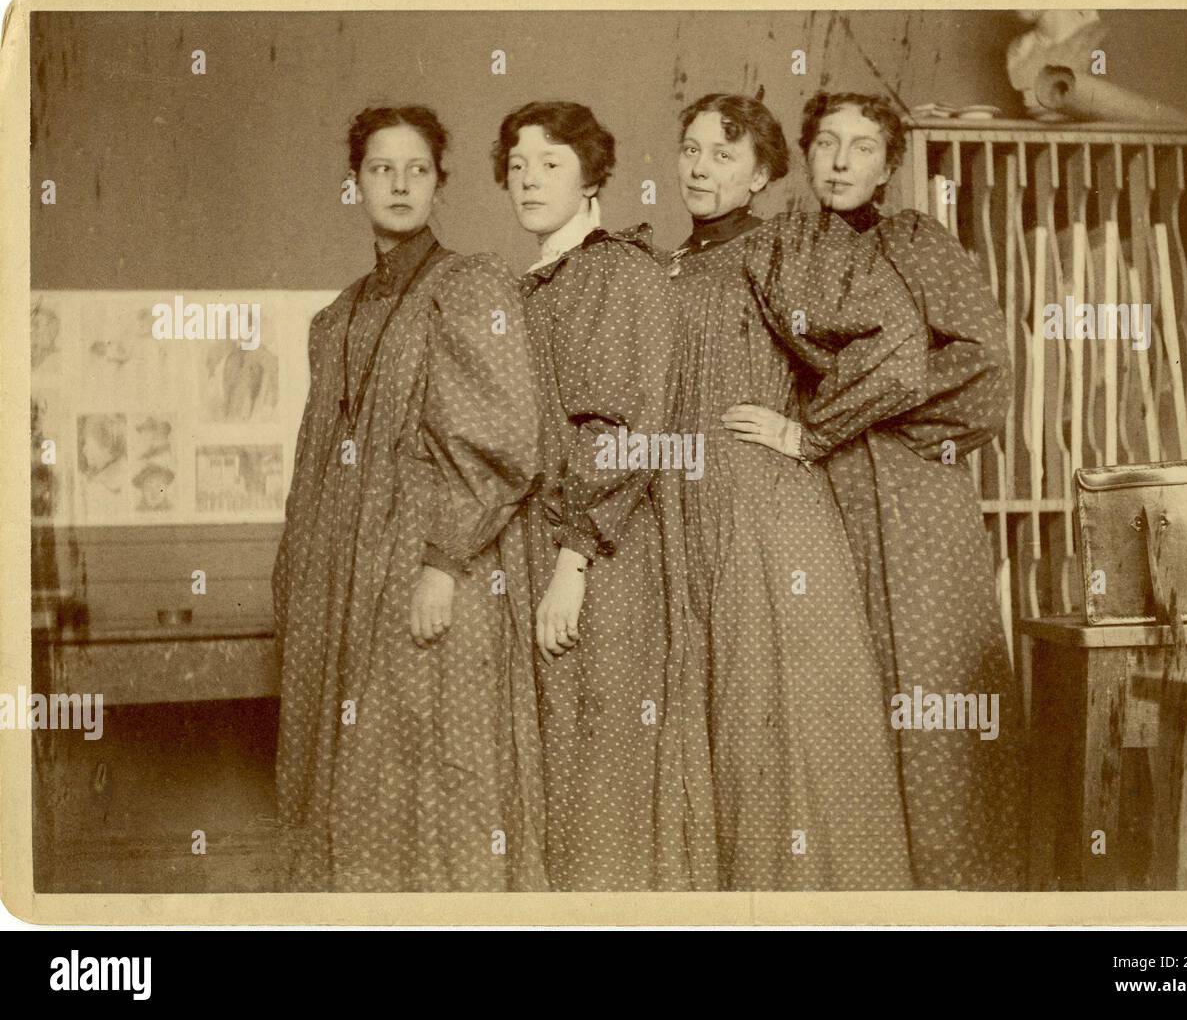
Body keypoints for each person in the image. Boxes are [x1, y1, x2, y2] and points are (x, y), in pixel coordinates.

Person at [730, 90, 1025, 890]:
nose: (839, 161)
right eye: (826, 142)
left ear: (890, 164)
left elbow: (984, 364)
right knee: (844, 697)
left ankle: (953, 892)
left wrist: (850, 420)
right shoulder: (789, 244)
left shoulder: (914, 241)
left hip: (913, 503)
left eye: (862, 147)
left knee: (926, 698)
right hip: (825, 498)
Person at [272, 105, 546, 892]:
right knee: (358, 778)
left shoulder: (468, 286)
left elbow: (502, 436)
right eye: (381, 168)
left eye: (416, 169)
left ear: (439, 183)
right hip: (345, 577)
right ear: (353, 182)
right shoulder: (338, 317)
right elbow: (316, 464)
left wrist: (441, 561)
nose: (398, 183)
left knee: (436, 770)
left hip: (431, 566)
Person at [667, 93, 921, 891]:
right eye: (692, 148)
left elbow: (901, 348)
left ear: (763, 176)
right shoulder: (668, 261)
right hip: (683, 514)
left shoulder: (779, 247)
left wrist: (806, 433)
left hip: (762, 519)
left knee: (774, 726)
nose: (702, 166)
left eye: (724, 154)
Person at [497, 101, 715, 891]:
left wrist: (573, 560)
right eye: (517, 164)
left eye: (550, 163)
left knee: (604, 763)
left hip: (603, 555)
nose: (528, 178)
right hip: (541, 546)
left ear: (592, 176)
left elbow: (628, 432)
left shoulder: (617, 273)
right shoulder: (529, 284)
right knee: (554, 756)